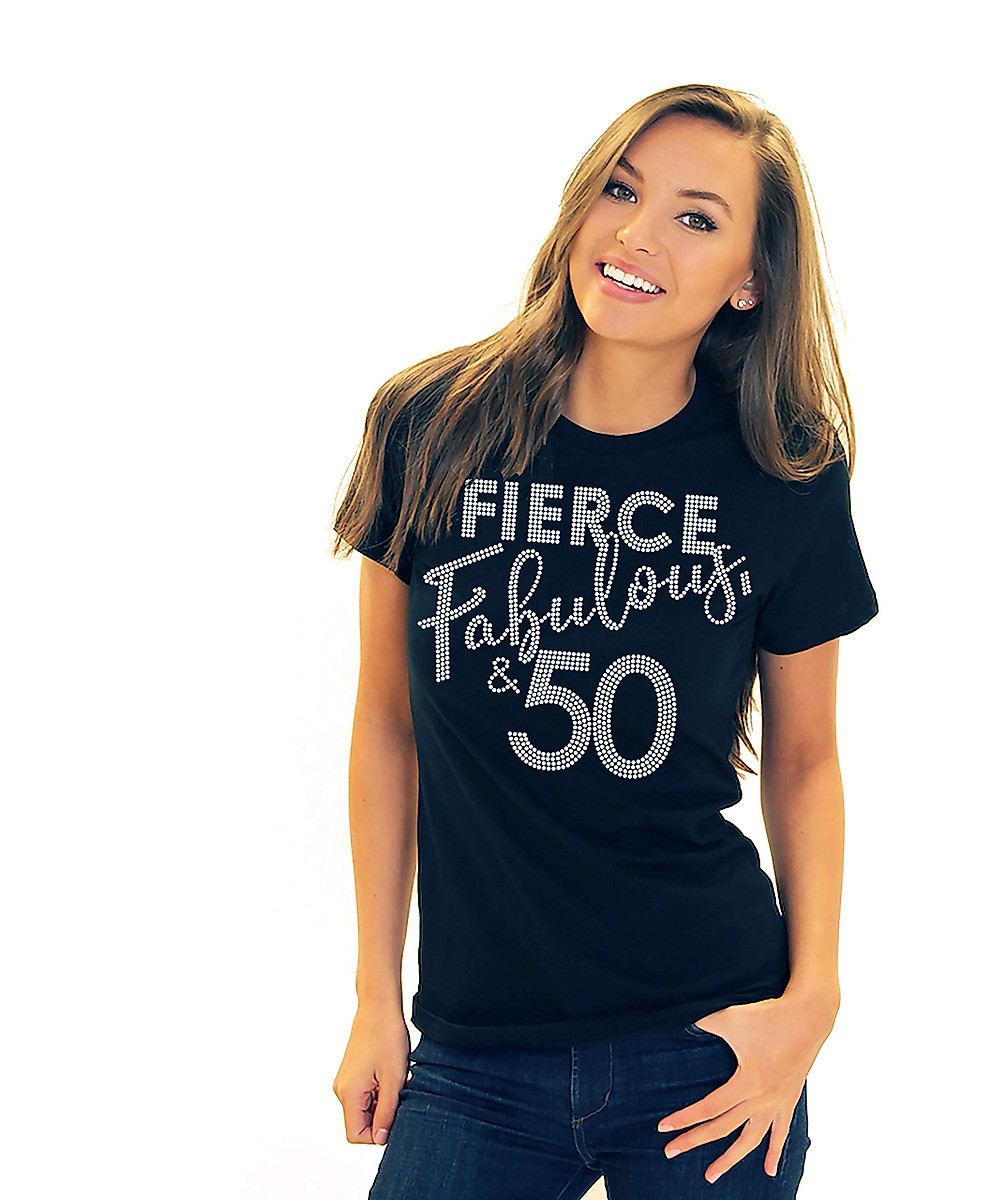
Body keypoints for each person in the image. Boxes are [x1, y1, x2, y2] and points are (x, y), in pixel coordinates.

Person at [330, 82, 879, 1198]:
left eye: (696, 217)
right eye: (621, 192)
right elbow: (387, 724)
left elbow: (806, 757)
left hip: (712, 1047)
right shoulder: (427, 425)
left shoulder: (784, 470)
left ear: (751, 279)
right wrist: (374, 996)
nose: (636, 235)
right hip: (473, 1055)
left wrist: (812, 999)